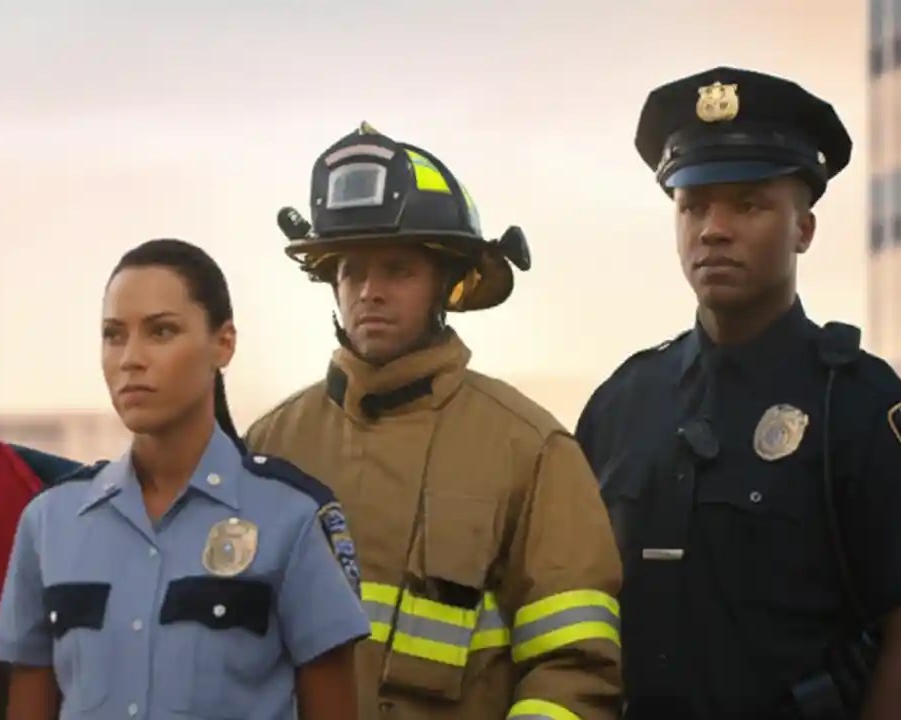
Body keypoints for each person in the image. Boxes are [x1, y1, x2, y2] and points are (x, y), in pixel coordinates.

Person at [575, 66, 901, 720]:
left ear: (803, 230)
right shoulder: (621, 405)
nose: (714, 229)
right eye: (695, 205)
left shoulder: (863, 405)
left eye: (748, 204)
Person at [247, 122, 624, 720]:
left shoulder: (530, 449)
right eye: (352, 270)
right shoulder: (271, 445)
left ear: (446, 284)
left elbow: (575, 669)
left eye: (398, 270)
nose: (370, 291)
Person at [0, 238, 371, 720]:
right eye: (113, 335)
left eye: (161, 332)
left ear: (223, 343)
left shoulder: (290, 519)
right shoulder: (50, 522)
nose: (131, 358)